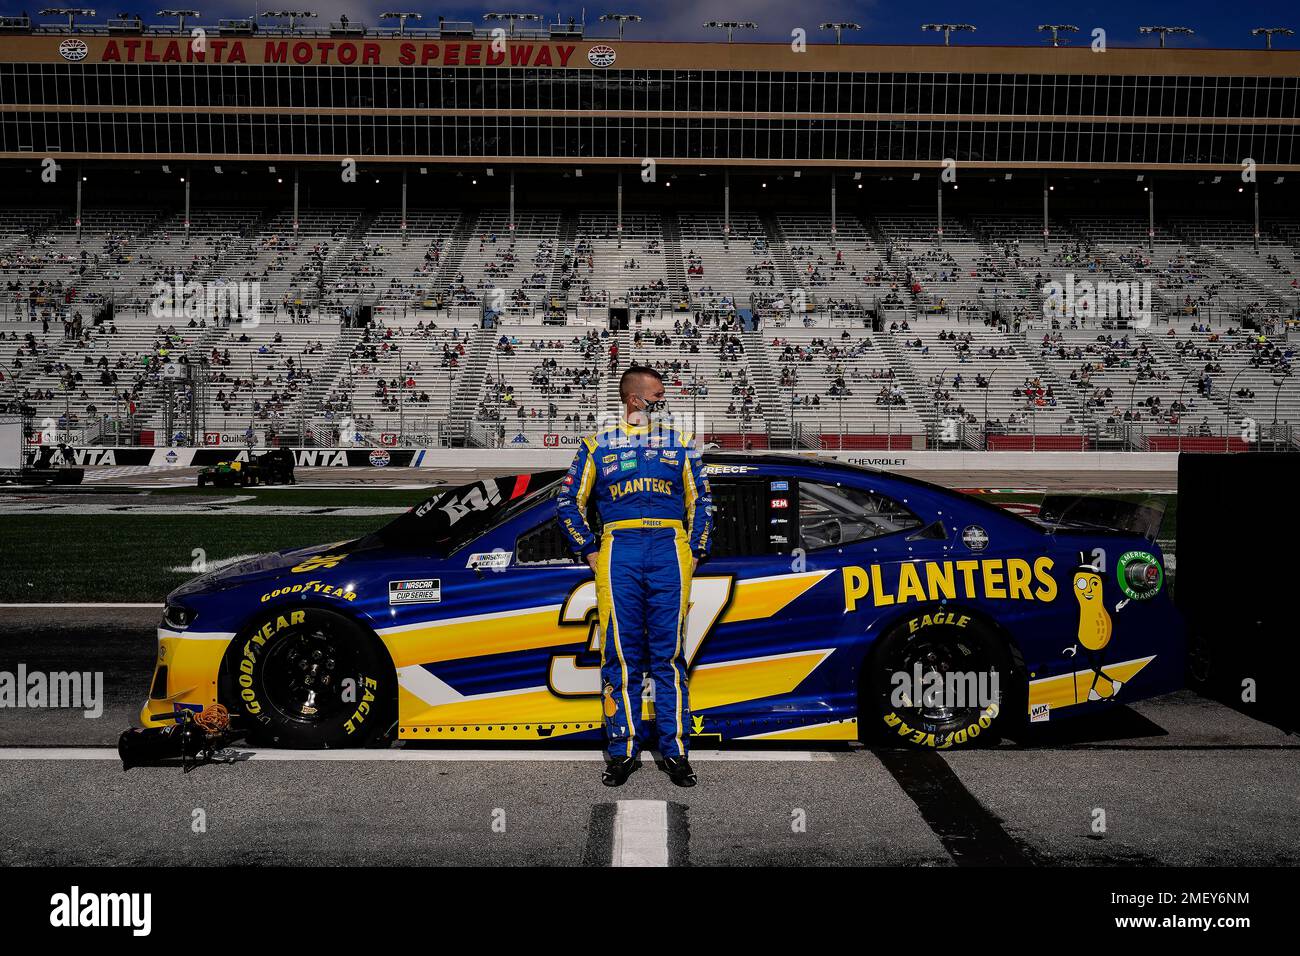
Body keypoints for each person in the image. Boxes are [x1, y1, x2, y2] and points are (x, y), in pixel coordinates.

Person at [555, 366, 713, 788]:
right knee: (621, 656)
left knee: (669, 657)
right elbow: (568, 501)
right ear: (635, 400)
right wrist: (588, 548)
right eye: (658, 395)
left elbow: (703, 502)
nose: (664, 401)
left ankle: (675, 750)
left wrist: (695, 551)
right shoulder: (596, 445)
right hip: (618, 550)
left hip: (669, 549)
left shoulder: (681, 444)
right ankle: (622, 750)